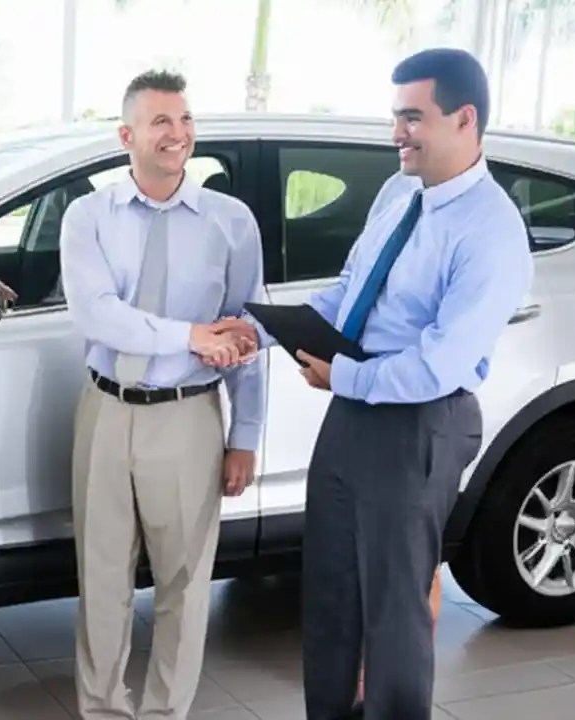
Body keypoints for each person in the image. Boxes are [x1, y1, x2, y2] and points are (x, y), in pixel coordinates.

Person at [228, 48, 533, 719]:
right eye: (394, 116)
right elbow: (353, 288)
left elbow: (440, 363)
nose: (396, 132)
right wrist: (279, 329)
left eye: (411, 117)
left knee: (395, 610)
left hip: (420, 422)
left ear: (465, 119)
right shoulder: (400, 192)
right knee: (331, 591)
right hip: (355, 412)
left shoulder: (492, 232)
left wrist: (347, 374)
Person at [59, 69, 265, 720]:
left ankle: (164, 714)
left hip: (188, 420)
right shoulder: (88, 217)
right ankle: (103, 711)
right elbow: (98, 315)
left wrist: (245, 436)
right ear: (127, 135)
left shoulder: (230, 222)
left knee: (183, 585)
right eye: (161, 122)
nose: (179, 134)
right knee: (102, 579)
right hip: (106, 410)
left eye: (185, 120)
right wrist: (192, 335)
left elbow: (247, 332)